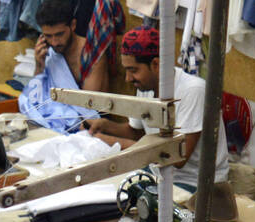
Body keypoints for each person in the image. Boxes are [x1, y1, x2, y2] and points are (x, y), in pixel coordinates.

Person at [83, 27, 229, 191]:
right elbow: (137, 132)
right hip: (160, 172)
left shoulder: (193, 91)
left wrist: (114, 142)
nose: (128, 79)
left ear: (156, 64)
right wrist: (105, 126)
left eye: (133, 70)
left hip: (197, 185)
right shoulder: (145, 87)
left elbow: (178, 157)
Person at [32, 0, 110, 92]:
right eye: (48, 36)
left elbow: (89, 103)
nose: (54, 42)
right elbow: (36, 94)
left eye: (59, 34)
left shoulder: (91, 55)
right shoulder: (47, 52)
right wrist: (39, 66)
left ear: (73, 25)